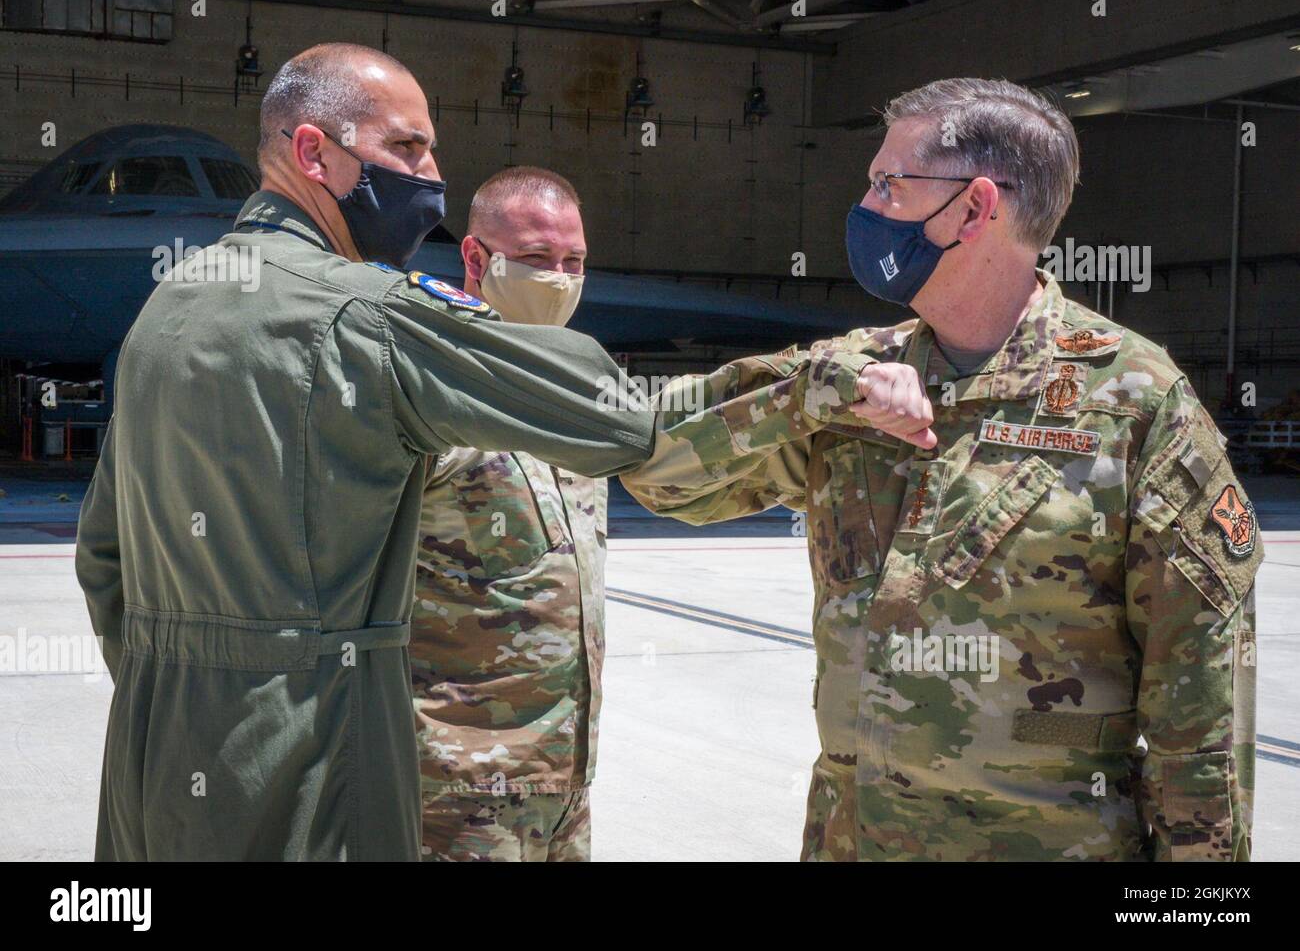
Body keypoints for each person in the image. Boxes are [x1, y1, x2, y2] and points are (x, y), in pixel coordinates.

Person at [622, 77, 1262, 862]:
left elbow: (1198, 716)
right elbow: (655, 469)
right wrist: (813, 399)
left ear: (973, 208)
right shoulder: (848, 379)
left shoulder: (1132, 401)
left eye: (890, 183)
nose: (867, 204)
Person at [75, 43, 662, 861]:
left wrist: (188, 681)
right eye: (407, 148)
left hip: (154, 756)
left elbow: (104, 558)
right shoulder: (363, 312)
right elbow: (616, 420)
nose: (431, 175)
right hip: (311, 769)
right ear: (315, 151)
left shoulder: (170, 305)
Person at [411, 167, 603, 861]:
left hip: (564, 789)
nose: (559, 277)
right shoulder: (431, 388)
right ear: (474, 258)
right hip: (458, 797)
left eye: (573, 262)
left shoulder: (573, 391)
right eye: (536, 260)